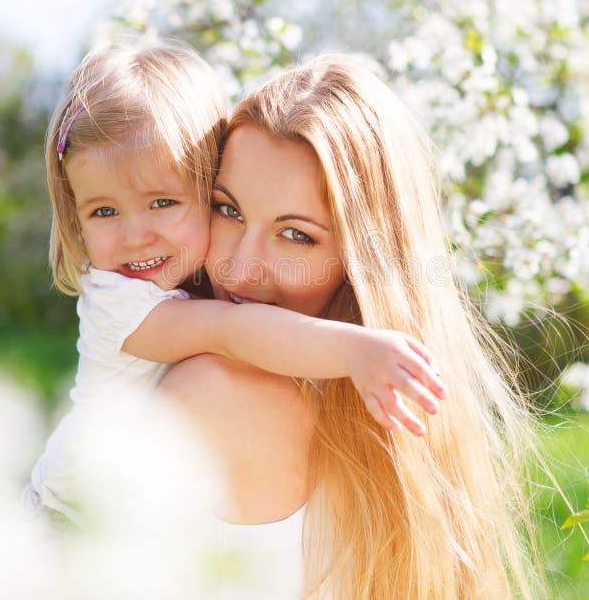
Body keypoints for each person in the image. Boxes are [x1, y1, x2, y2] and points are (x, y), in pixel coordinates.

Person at [160, 55, 538, 598]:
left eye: (296, 236)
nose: (238, 268)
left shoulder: (215, 392)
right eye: (228, 210)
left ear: (365, 260)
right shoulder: (415, 454)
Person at [27, 41, 445, 523]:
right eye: (104, 211)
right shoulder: (119, 303)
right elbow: (234, 330)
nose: (136, 236)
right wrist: (357, 350)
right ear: (75, 219)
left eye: (163, 203)